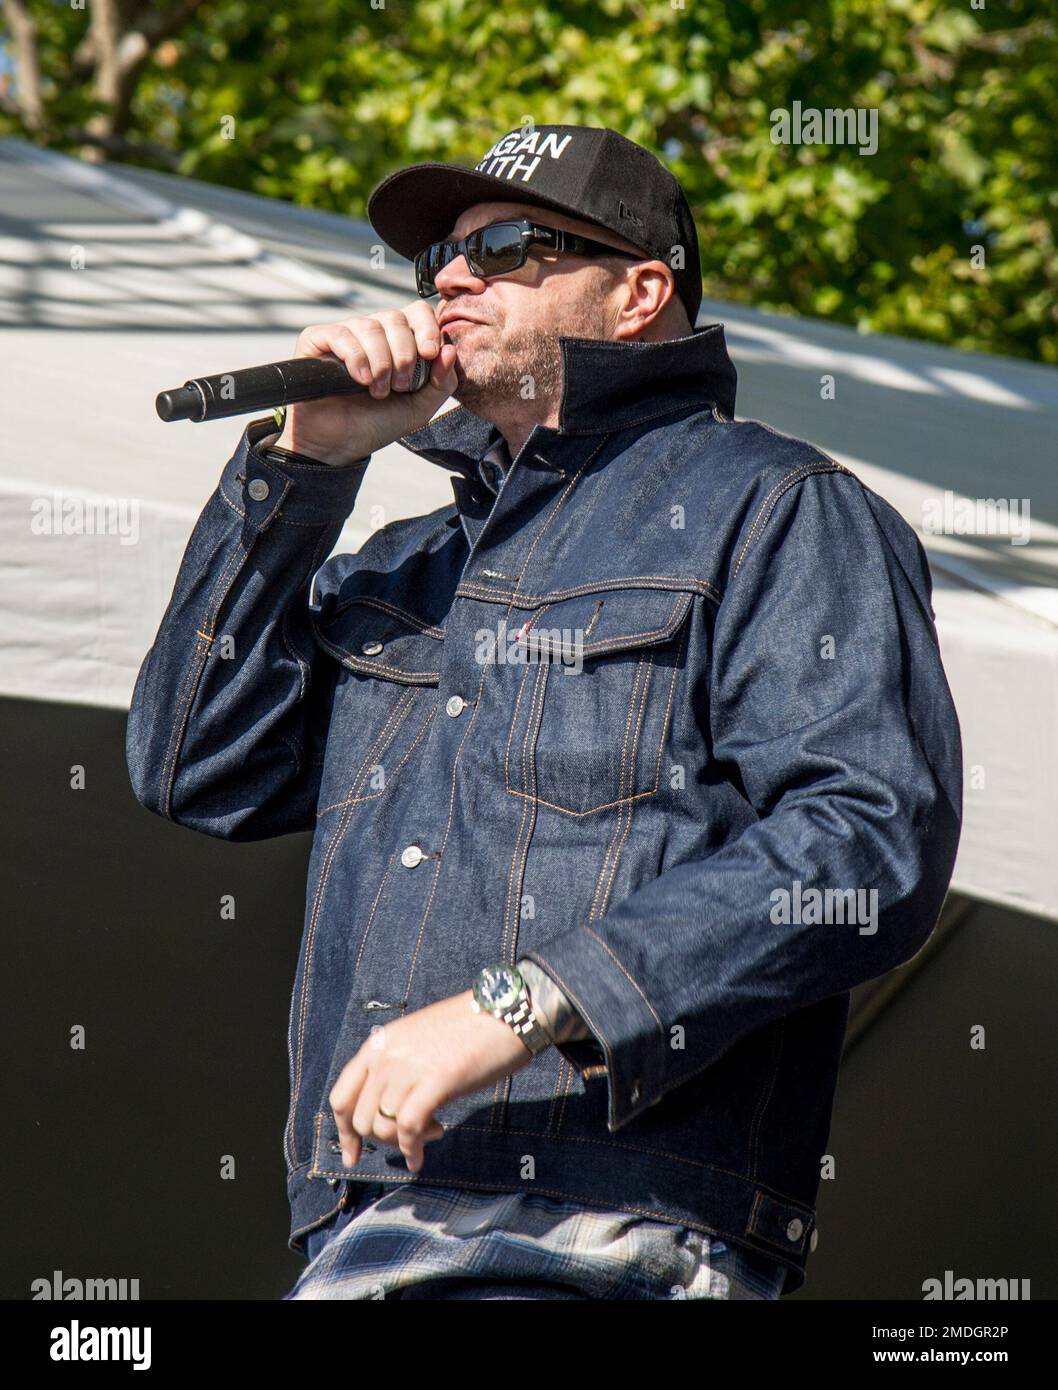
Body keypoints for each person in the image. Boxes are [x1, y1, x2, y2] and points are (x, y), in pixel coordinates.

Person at [126, 124, 962, 1300]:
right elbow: (194, 766)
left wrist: (520, 1003)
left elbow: (864, 840)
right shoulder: (408, 559)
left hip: (595, 1234)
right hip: (365, 1231)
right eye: (435, 265)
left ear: (637, 293)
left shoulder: (779, 509)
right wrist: (304, 467)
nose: (451, 280)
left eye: (506, 246)